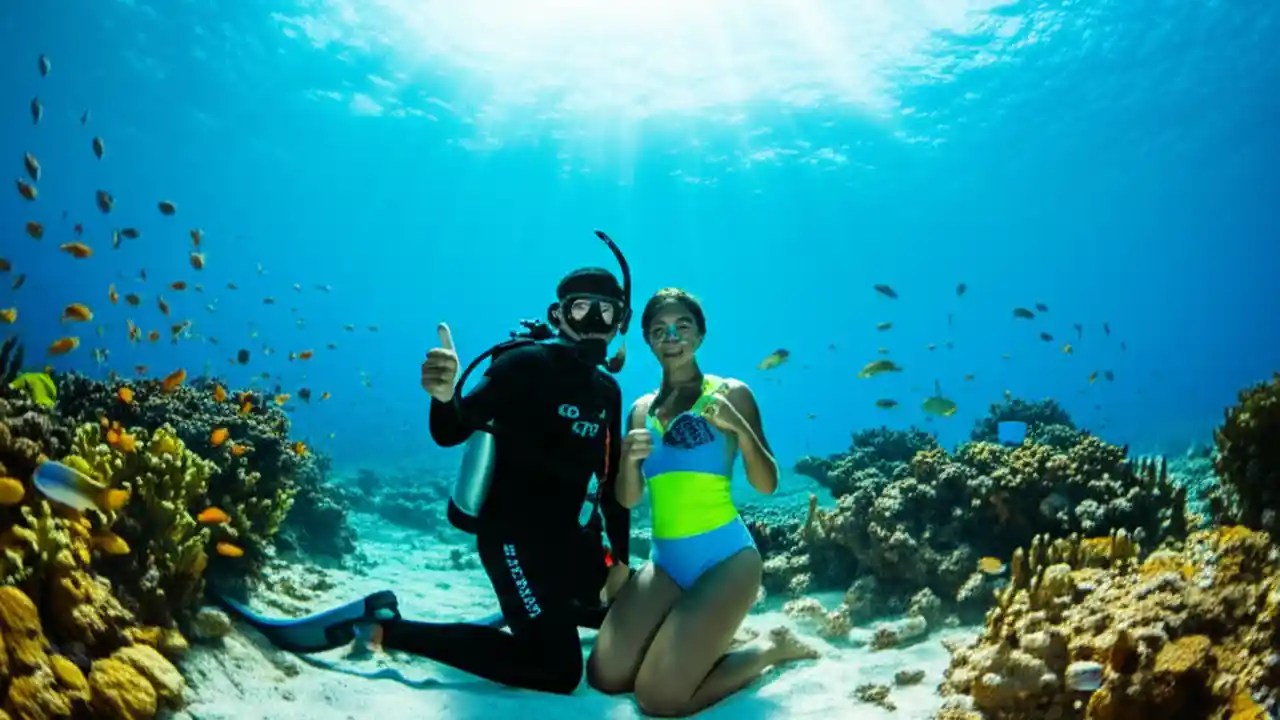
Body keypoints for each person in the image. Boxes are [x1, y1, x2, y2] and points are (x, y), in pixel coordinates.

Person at [356, 261, 636, 695]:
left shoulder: (607, 390)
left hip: (574, 539)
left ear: (621, 322)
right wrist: (446, 397)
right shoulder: (523, 363)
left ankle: (546, 605)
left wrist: (620, 560)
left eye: (608, 312)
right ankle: (389, 627)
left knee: (618, 611)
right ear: (558, 315)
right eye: (582, 309)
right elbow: (451, 430)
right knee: (557, 670)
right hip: (513, 537)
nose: (596, 322)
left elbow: (612, 482)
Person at [587, 288, 818, 717]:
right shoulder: (639, 410)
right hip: (665, 563)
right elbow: (628, 499)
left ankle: (770, 648)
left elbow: (767, 484)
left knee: (659, 698)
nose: (670, 336)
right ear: (648, 340)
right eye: (658, 330)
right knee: (605, 675)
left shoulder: (731, 392)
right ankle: (697, 633)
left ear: (701, 335)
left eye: (682, 327)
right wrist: (629, 464)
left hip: (726, 561)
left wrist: (741, 431)